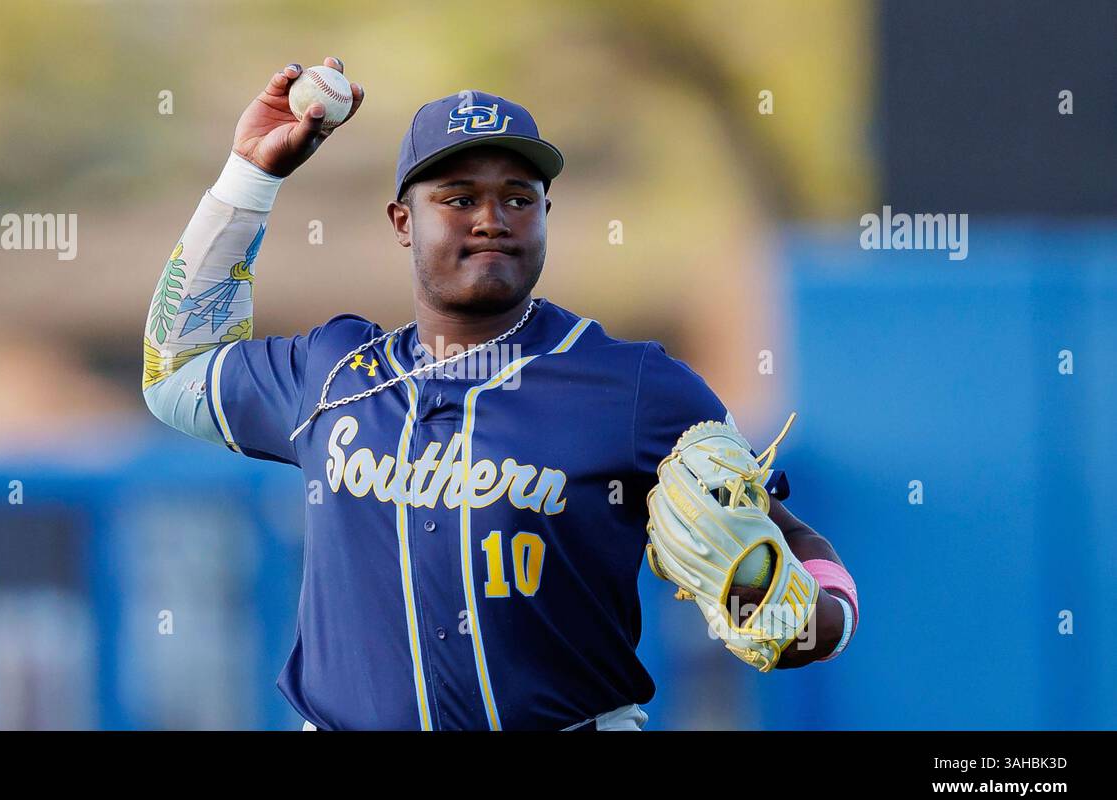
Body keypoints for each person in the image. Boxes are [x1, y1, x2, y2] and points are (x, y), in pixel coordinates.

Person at [142, 57, 857, 730]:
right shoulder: (330, 374)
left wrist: (821, 614)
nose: (492, 217)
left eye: (519, 197)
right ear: (402, 222)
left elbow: (790, 542)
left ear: (546, 214)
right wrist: (248, 178)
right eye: (459, 198)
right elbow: (174, 370)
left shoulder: (636, 387)